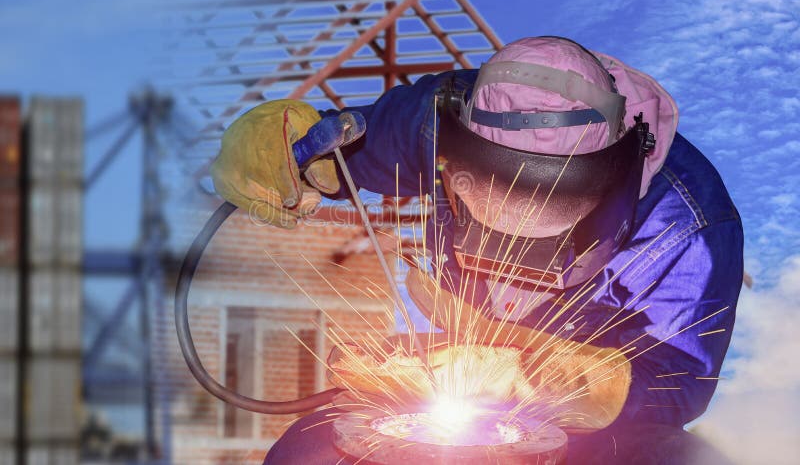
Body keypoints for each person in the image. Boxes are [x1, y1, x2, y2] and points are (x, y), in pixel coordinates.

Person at [211, 37, 742, 464]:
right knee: (311, 452)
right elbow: (349, 153)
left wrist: (541, 376)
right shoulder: (443, 121)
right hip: (463, 371)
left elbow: (678, 383)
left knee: (678, 458)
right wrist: (288, 152)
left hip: (586, 417)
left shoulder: (691, 225)